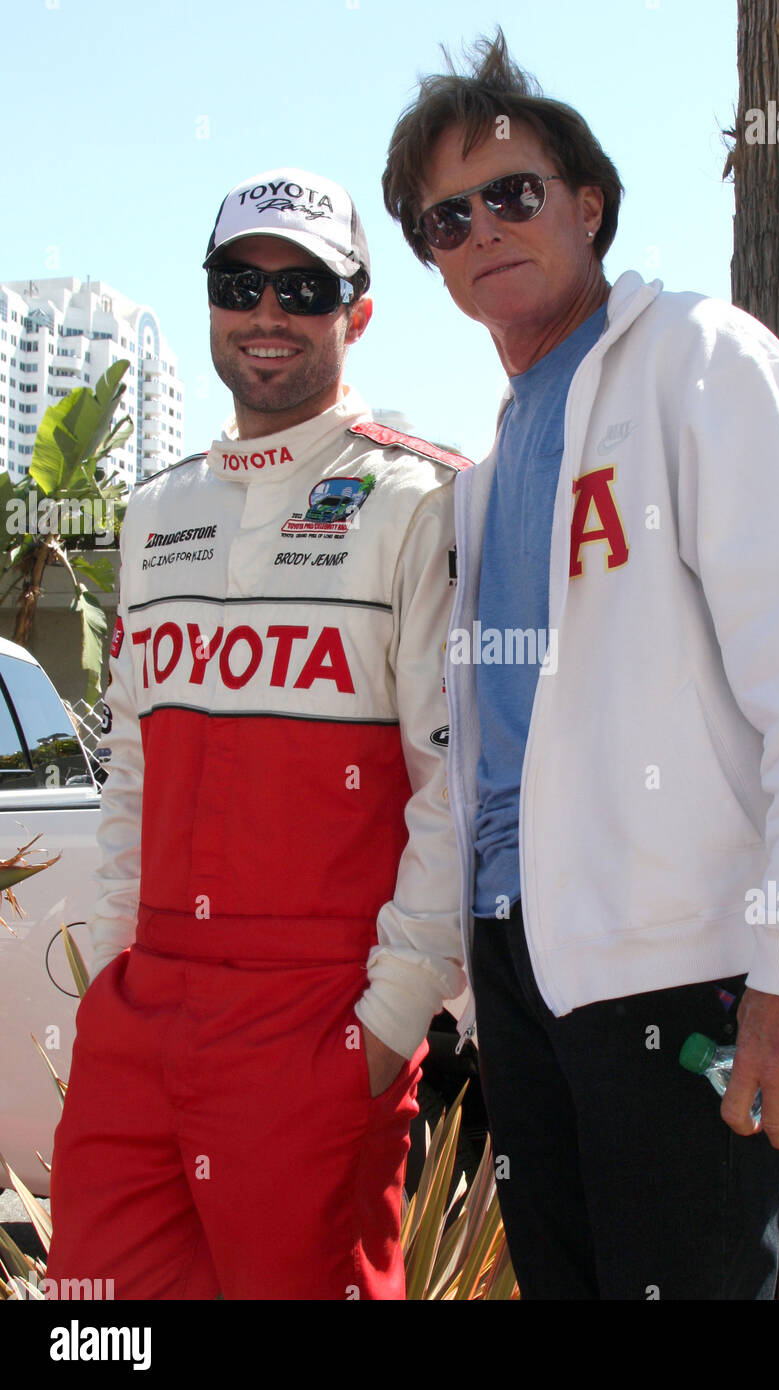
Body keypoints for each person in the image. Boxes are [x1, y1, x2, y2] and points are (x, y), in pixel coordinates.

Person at [382, 35, 779, 1300]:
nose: (483, 230)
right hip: (518, 964)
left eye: (513, 193)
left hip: (680, 967)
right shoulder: (487, 476)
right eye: (446, 218)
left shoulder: (698, 360)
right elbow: (476, 759)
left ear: (588, 204)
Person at [45, 168, 469, 1300]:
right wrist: (114, 971)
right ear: (212, 302)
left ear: (357, 313)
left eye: (306, 287)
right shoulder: (157, 510)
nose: (268, 313)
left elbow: (459, 788)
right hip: (145, 1013)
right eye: (242, 283)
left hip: (318, 1021)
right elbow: (131, 761)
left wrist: (387, 1025)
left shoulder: (421, 498)